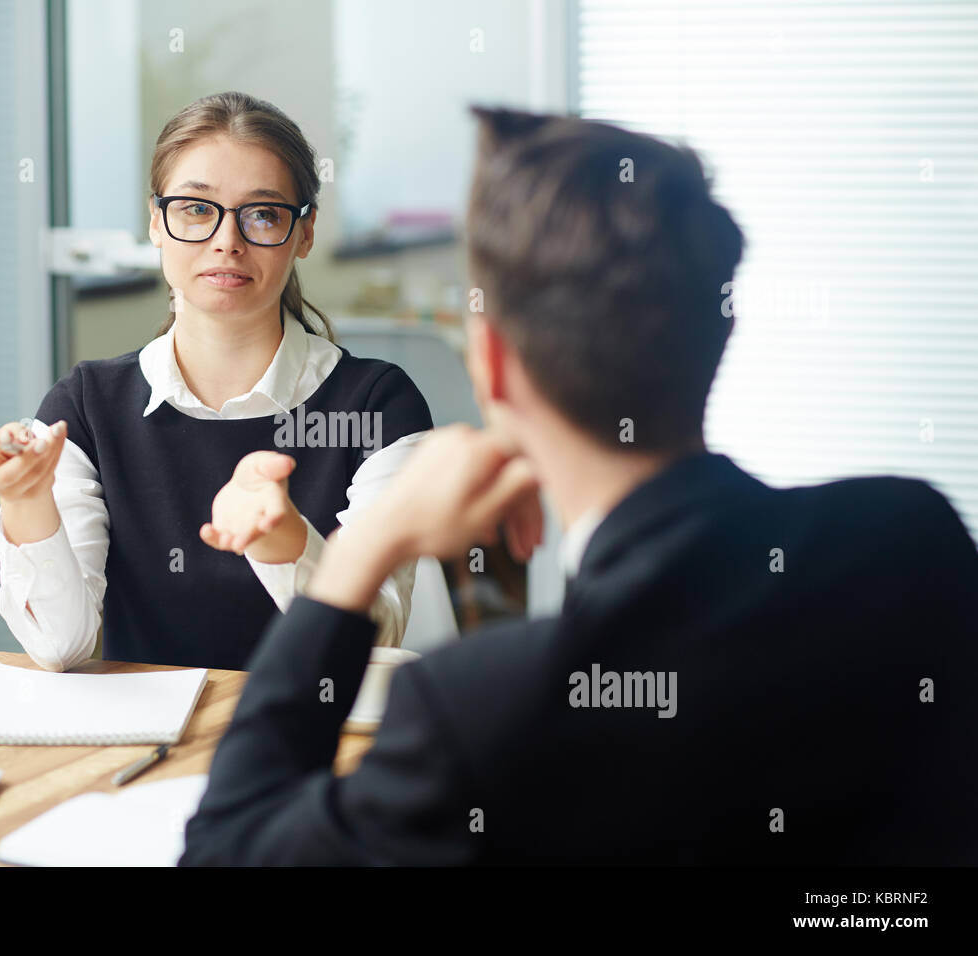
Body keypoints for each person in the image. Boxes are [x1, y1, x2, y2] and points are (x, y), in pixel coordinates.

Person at [179, 107, 978, 865]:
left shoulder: (479, 714)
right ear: (722, 328)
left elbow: (228, 849)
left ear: (489, 361)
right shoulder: (914, 538)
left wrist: (370, 549)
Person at [0, 92, 467, 672]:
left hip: (313, 736)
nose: (227, 241)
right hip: (148, 745)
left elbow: (371, 641)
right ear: (156, 222)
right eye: (197, 209)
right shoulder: (84, 409)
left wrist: (283, 539)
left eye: (262, 214)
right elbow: (62, 647)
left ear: (303, 234)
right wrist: (27, 501)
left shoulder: (380, 405)